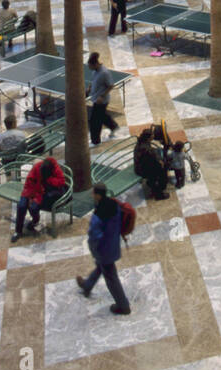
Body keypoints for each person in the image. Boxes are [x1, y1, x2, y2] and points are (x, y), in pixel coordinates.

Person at [76, 182, 131, 314]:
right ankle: (87, 285)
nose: (91, 194)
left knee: (111, 277)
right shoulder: (115, 206)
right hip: (113, 245)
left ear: (98, 195)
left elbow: (94, 236)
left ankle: (123, 306)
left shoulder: (98, 214)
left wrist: (94, 251)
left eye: (93, 192)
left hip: (103, 250)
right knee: (103, 267)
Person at [11, 156, 67, 242]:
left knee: (34, 207)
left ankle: (35, 221)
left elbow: (61, 181)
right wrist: (30, 197)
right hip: (31, 190)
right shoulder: (37, 167)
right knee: (21, 206)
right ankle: (18, 231)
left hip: (42, 193)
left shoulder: (55, 168)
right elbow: (29, 183)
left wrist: (49, 180)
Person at [86, 52, 119, 145]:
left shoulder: (104, 73)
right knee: (102, 116)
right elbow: (93, 81)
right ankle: (113, 126)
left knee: (94, 121)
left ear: (95, 64)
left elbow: (111, 86)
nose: (89, 68)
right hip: (95, 97)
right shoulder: (94, 71)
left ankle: (95, 141)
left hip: (101, 101)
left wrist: (102, 96)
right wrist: (89, 88)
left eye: (90, 66)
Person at [133, 129, 170, 199]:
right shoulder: (146, 149)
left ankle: (152, 183)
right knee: (163, 170)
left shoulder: (141, 142)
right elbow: (153, 160)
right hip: (142, 170)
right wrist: (161, 162)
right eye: (152, 135)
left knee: (160, 166)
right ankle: (159, 193)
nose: (154, 136)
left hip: (139, 166)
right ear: (149, 137)